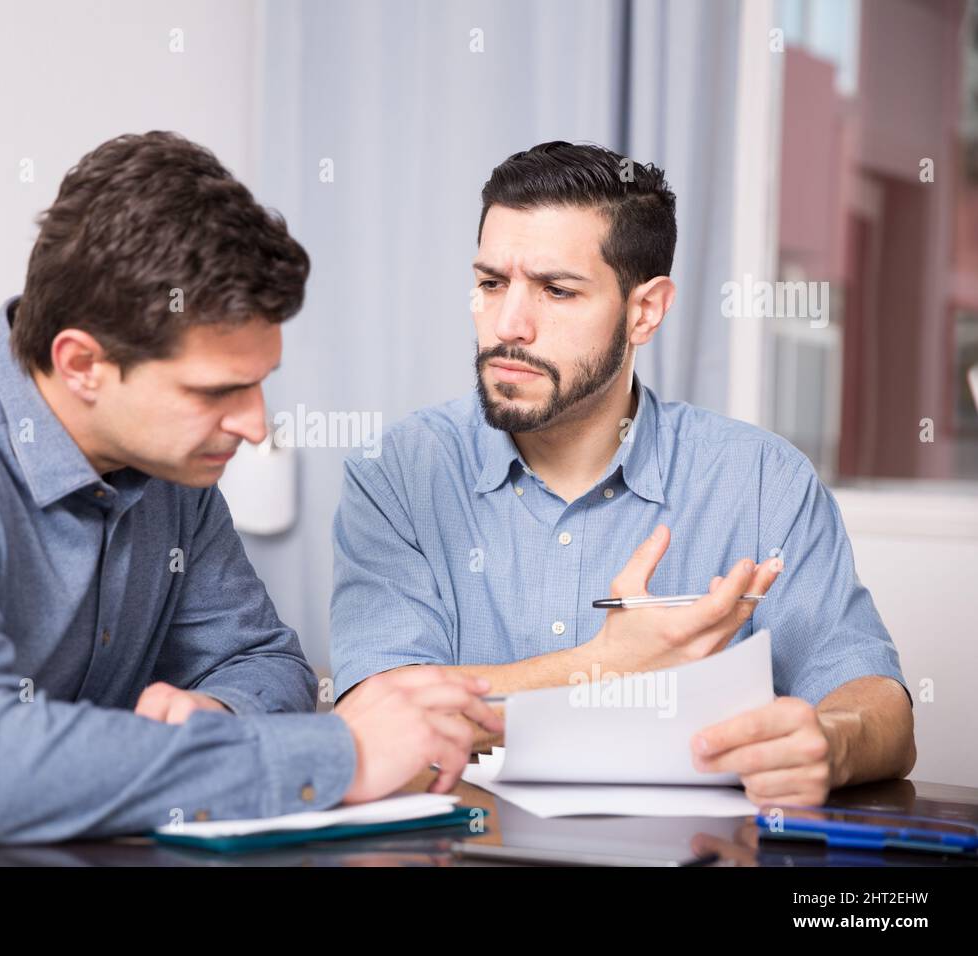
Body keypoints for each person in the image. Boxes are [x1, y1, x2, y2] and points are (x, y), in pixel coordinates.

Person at [0, 132, 501, 866]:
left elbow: (264, 662)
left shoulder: (170, 470)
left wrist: (207, 712)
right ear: (80, 364)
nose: (255, 426)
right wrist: (338, 756)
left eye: (260, 385)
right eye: (219, 390)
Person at [330, 141, 914, 809]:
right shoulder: (399, 474)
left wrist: (828, 742)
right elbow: (376, 721)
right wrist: (608, 666)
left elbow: (881, 709)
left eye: (556, 289)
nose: (508, 325)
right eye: (492, 283)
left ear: (646, 310)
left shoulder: (759, 479)